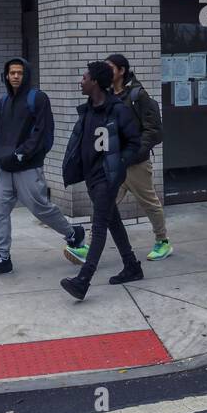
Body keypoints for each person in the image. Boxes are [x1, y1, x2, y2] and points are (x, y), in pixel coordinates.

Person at [0, 57, 84, 278]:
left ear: (26, 75)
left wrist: (21, 154)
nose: (16, 76)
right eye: (12, 73)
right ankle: (2, 258)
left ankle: (73, 233)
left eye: (20, 72)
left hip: (27, 166)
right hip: (4, 167)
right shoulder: (3, 102)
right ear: (6, 76)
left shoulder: (38, 98)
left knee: (40, 208)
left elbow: (42, 131)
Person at [65, 53, 170, 266]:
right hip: (112, 164)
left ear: (121, 71)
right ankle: (90, 248)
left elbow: (154, 130)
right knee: (104, 205)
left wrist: (133, 153)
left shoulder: (138, 95)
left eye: (110, 67)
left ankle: (162, 241)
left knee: (149, 202)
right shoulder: (106, 96)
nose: (106, 70)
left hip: (136, 164)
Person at [59, 61, 144, 301]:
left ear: (95, 82)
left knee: (98, 226)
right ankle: (131, 266)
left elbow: (135, 143)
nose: (81, 82)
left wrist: (119, 163)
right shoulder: (87, 110)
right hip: (91, 177)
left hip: (107, 177)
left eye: (84, 78)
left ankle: (83, 280)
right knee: (112, 221)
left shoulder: (118, 110)